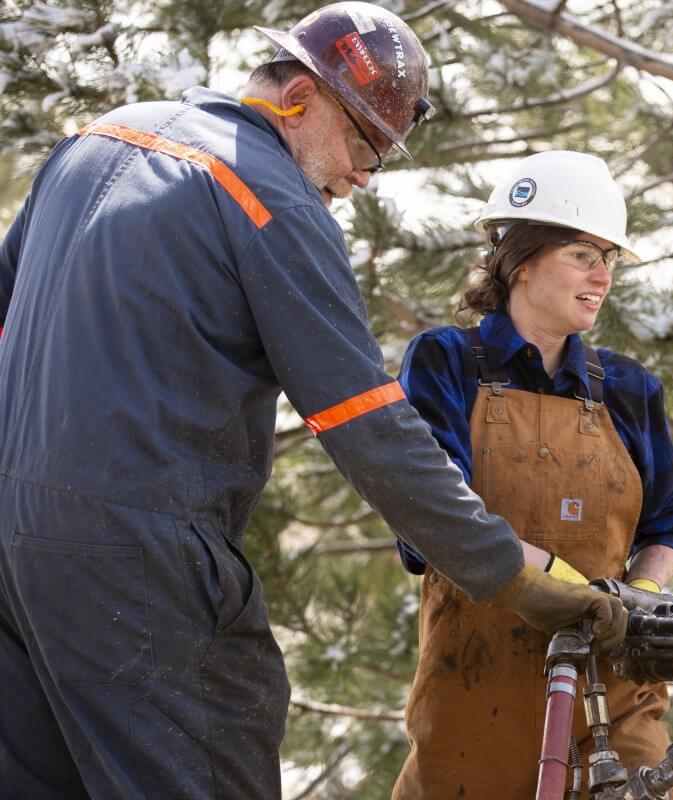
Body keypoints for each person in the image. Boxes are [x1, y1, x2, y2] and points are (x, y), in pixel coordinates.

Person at [0, 5, 624, 798]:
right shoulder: (272, 201)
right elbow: (364, 422)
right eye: (364, 141)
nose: (365, 175)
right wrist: (507, 568)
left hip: (15, 552)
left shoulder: (101, 137)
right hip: (140, 553)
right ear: (299, 97)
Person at [392, 150, 673, 799]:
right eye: (583, 255)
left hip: (613, 688)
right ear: (522, 260)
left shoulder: (628, 388)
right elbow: (431, 518)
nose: (603, 276)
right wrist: (561, 583)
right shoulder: (447, 361)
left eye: (608, 259)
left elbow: (672, 521)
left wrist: (639, 594)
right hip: (476, 692)